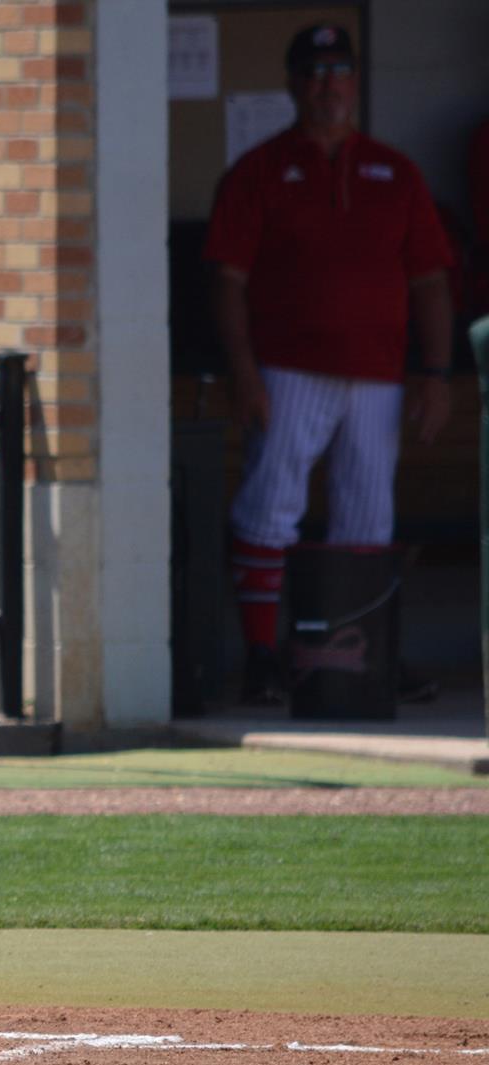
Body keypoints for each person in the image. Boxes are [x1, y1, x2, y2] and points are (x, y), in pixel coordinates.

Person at [205, 24, 453, 706]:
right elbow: (226, 280)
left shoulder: (395, 172)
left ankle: (361, 655)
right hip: (286, 370)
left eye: (340, 70)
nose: (327, 84)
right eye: (314, 71)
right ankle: (262, 656)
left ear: (355, 82)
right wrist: (246, 371)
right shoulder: (257, 172)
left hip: (377, 377)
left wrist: (434, 373)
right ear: (291, 84)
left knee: (367, 520)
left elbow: (430, 279)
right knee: (269, 507)